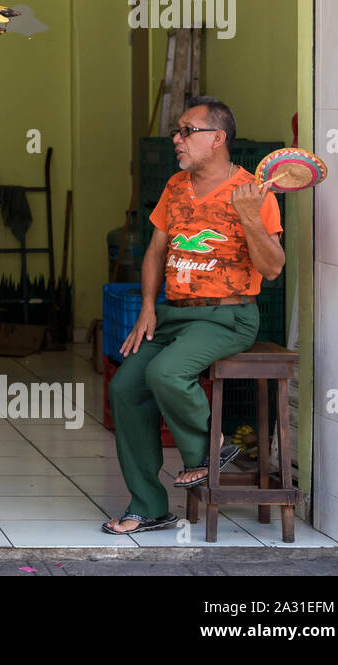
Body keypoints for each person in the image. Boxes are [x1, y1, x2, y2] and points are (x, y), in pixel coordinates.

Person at [102, 96, 284, 534]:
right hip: (174, 316)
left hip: (228, 317)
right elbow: (154, 252)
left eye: (187, 131)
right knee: (126, 386)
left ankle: (208, 450)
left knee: (165, 373)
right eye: (176, 132)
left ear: (217, 138)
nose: (177, 140)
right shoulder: (175, 188)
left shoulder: (252, 192)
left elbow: (273, 268)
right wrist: (148, 307)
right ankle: (148, 506)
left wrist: (249, 218)